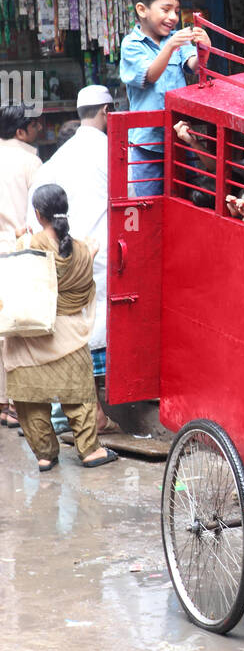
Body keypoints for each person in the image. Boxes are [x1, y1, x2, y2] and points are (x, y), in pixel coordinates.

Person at [2, 183, 118, 472]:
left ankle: (44, 454)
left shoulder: (27, 246)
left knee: (30, 401)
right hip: (69, 338)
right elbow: (82, 288)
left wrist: (20, 239)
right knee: (80, 397)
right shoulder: (82, 250)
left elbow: (18, 284)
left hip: (30, 339)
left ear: (38, 214)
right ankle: (90, 450)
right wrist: (90, 256)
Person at [27, 86, 118, 435]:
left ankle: (63, 415)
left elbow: (32, 213)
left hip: (63, 259)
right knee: (86, 340)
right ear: (107, 112)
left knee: (69, 337)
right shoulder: (110, 152)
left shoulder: (58, 158)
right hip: (97, 258)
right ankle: (79, 421)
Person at [119, 0, 210, 198]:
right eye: (166, 9)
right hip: (147, 145)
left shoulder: (176, 40)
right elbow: (149, 75)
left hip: (179, 137)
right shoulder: (131, 44)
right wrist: (170, 47)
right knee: (151, 206)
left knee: (190, 201)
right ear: (142, 10)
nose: (173, 17)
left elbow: (195, 65)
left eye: (176, 11)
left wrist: (205, 48)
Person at [0, 101, 44, 428]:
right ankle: (13, 404)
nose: (39, 129)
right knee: (14, 329)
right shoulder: (31, 162)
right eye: (35, 125)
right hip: (16, 253)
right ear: (20, 131)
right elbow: (38, 215)